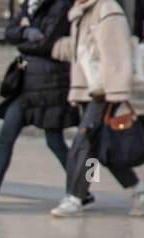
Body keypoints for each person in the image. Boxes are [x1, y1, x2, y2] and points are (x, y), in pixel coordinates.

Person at [0, 0, 79, 210]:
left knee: (55, 141)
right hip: (27, 84)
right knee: (7, 134)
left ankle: (81, 191)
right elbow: (10, 32)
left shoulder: (61, 5)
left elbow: (47, 42)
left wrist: (24, 36)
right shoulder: (29, 5)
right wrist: (25, 32)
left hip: (51, 84)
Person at [49, 0, 144, 216]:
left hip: (103, 91)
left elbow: (117, 54)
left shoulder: (107, 10)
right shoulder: (81, 12)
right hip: (87, 90)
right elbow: (77, 50)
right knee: (100, 149)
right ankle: (138, 191)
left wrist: (115, 92)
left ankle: (74, 197)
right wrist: (47, 44)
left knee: (82, 142)